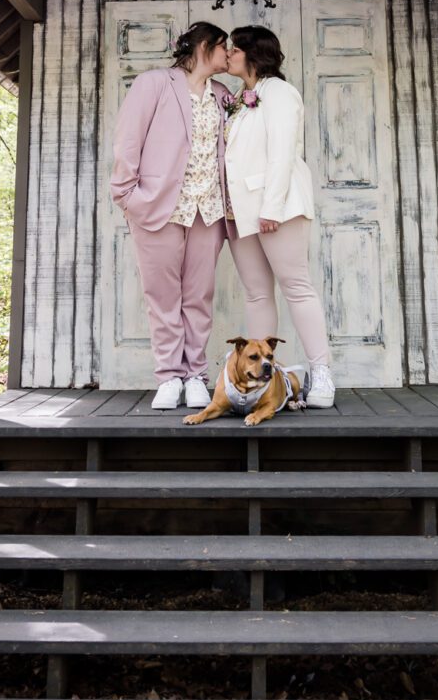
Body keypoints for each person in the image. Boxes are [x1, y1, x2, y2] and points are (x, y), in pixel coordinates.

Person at [110, 22, 234, 410]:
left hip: (208, 210)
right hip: (158, 208)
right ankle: (168, 376)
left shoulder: (223, 94)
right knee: (162, 296)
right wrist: (127, 195)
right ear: (203, 47)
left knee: (198, 296)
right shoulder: (154, 84)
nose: (228, 55)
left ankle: (195, 374)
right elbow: (128, 139)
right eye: (223, 47)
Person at [224, 24, 335, 409]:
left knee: (297, 287)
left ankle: (321, 373)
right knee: (256, 293)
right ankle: (260, 379)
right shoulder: (241, 97)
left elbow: (283, 153)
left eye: (232, 48)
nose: (227, 54)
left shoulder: (281, 93)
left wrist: (271, 208)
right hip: (240, 211)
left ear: (252, 54)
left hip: (279, 207)